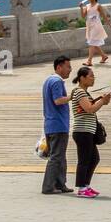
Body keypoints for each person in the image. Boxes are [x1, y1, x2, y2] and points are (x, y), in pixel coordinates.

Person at [69, 65, 111, 198]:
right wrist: (102, 102)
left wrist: (101, 101)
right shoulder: (80, 92)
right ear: (82, 78)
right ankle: (81, 188)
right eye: (91, 76)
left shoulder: (84, 92)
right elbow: (89, 109)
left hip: (87, 130)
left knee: (93, 158)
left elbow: (90, 107)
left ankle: (85, 185)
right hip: (82, 130)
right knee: (84, 159)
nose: (93, 78)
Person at [41, 55, 73, 194]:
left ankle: (61, 184)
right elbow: (58, 100)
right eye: (68, 67)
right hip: (58, 124)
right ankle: (48, 186)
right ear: (59, 67)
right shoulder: (56, 81)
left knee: (60, 156)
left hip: (51, 124)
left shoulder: (48, 80)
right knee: (56, 157)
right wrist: (73, 96)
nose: (70, 70)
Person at [79, 0, 111, 66]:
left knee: (91, 43)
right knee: (94, 43)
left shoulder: (98, 5)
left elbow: (104, 16)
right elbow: (83, 16)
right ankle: (104, 56)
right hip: (89, 26)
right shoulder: (87, 6)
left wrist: (109, 24)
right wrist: (81, 7)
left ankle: (89, 61)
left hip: (96, 26)